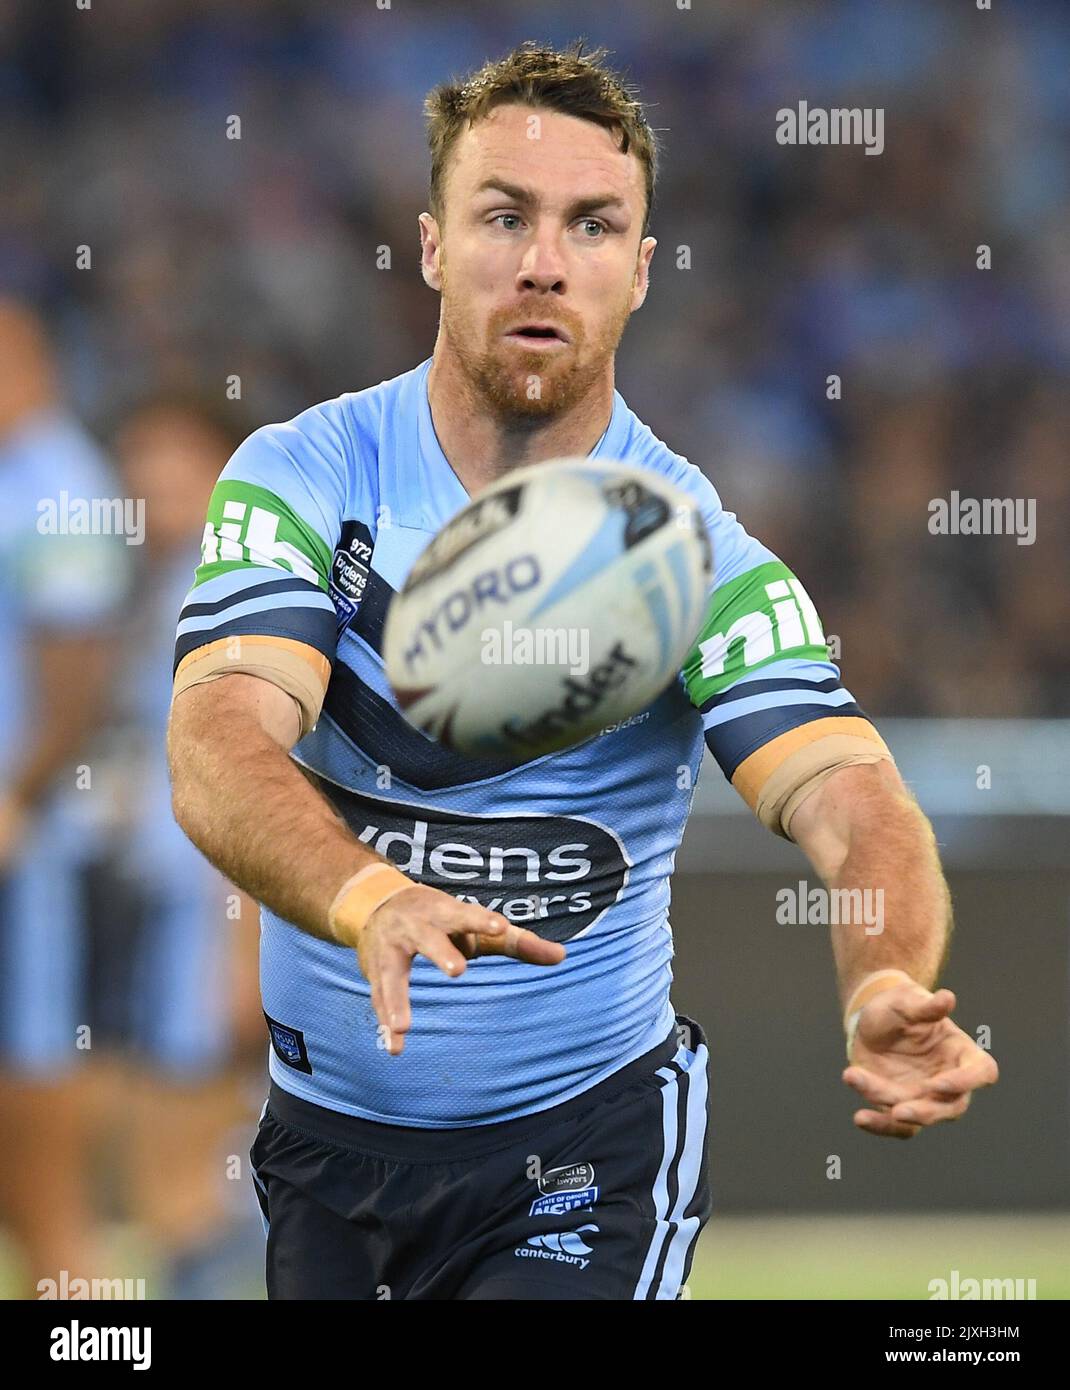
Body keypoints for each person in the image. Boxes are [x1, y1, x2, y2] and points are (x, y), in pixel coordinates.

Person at [166, 41, 998, 1301]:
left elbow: (851, 802)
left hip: (582, 1160)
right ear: (435, 246)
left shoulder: (691, 556)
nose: (544, 261)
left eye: (592, 225)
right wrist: (366, 896)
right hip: (322, 1156)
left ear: (640, 271)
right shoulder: (305, 476)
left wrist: (883, 972)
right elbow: (217, 740)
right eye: (503, 216)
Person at [0, 298, 129, 1294]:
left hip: (22, 831)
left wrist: (19, 791)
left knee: (35, 1059)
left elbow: (79, 666)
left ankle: (68, 1287)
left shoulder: (57, 480)